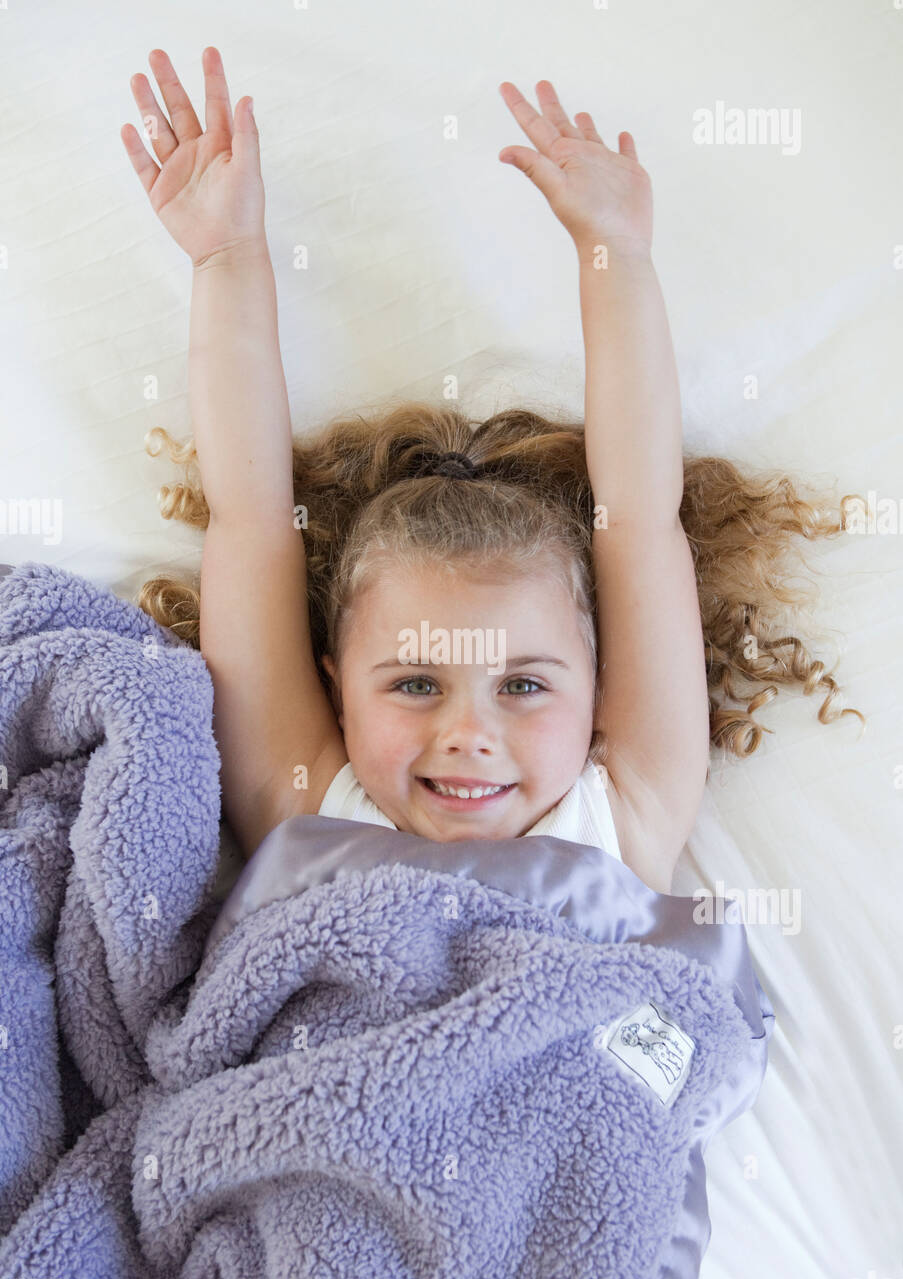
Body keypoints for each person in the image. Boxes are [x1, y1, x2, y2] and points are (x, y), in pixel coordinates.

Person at [122, 48, 862, 893]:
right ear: (334, 694)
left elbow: (640, 516)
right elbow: (251, 519)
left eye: (521, 684)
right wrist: (224, 258)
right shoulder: (307, 809)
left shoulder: (619, 818)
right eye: (413, 682)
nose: (468, 731)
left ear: (601, 687)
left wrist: (614, 251)